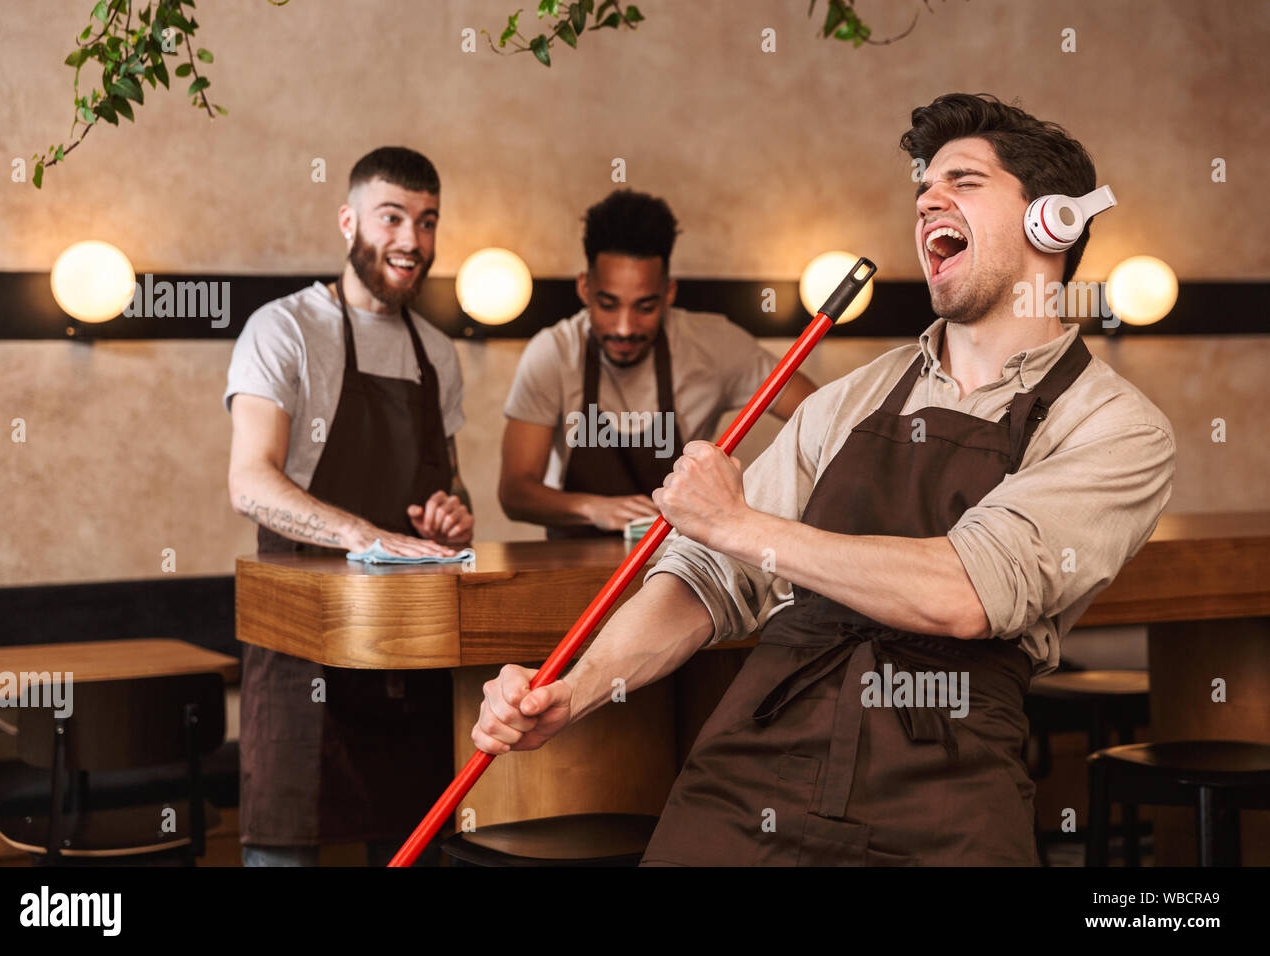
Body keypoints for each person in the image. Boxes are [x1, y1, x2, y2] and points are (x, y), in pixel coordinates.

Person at [471, 93, 1177, 865]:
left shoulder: (1116, 427)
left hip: (946, 783)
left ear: (1055, 221)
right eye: (923, 189)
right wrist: (576, 690)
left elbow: (967, 591)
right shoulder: (851, 399)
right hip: (755, 766)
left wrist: (738, 522)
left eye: (964, 182)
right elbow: (710, 574)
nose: (928, 201)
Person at [225, 147, 471, 866]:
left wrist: (450, 518)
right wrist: (366, 536)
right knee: (284, 852)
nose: (411, 241)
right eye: (391, 217)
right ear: (347, 220)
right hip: (301, 645)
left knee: (416, 849)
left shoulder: (439, 353)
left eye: (427, 222)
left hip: (411, 655)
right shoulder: (285, 329)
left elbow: (454, 496)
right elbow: (249, 482)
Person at [499, 189, 816, 537]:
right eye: (608, 304)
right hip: (572, 567)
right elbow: (515, 492)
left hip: (681, 567)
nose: (624, 327)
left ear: (668, 293)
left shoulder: (714, 345)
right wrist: (592, 508)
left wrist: (762, 505)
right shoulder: (553, 353)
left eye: (645, 307)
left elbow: (824, 417)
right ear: (585, 288)